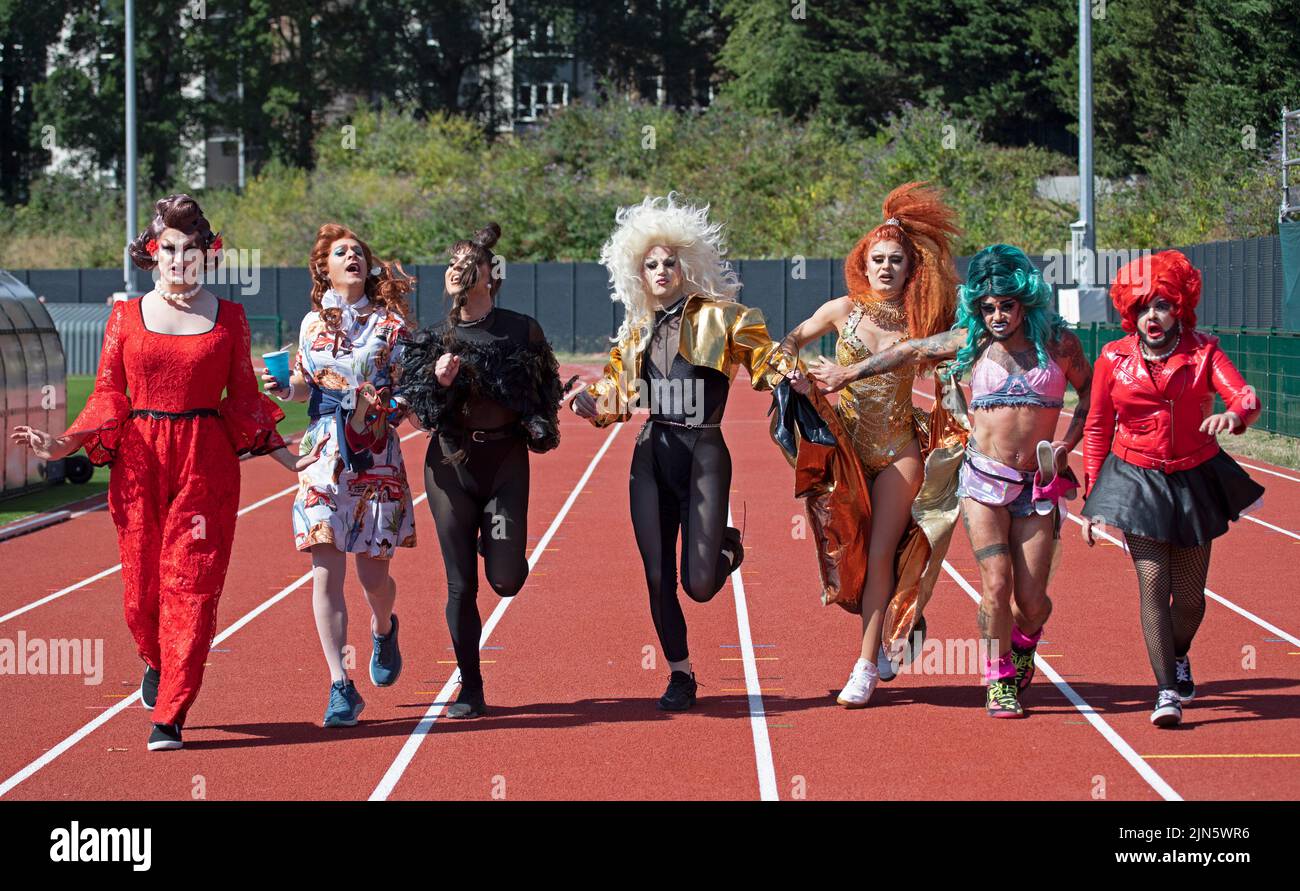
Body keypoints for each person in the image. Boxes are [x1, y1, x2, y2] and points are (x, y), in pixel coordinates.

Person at [10, 194, 323, 750]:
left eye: (190, 249)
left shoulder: (230, 318)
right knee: (140, 594)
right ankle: (155, 659)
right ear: (152, 254)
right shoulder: (124, 317)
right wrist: (63, 445)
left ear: (207, 254)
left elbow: (245, 402)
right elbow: (109, 395)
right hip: (139, 461)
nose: (179, 260)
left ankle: (171, 712)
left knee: (192, 588)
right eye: (168, 249)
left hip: (206, 462)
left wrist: (291, 461)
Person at [811, 244, 1093, 718]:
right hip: (984, 480)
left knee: (1032, 600)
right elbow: (908, 351)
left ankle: (1024, 644)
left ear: (1025, 301)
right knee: (996, 583)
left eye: (1007, 305)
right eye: (987, 306)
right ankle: (998, 678)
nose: (997, 315)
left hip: (1038, 486)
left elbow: (1090, 396)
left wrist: (1067, 446)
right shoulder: (973, 340)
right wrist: (847, 373)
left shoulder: (1061, 345)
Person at [571, 194, 796, 711]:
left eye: (669, 261)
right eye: (650, 264)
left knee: (699, 586)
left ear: (687, 264)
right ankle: (680, 674)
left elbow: (765, 363)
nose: (661, 269)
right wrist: (592, 404)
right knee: (657, 577)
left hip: (705, 451)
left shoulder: (725, 318)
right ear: (638, 274)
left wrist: (792, 373)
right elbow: (617, 394)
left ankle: (725, 546)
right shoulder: (635, 331)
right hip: (651, 454)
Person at [776, 182, 964, 708]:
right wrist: (792, 365)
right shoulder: (841, 310)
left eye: (895, 261)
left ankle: (863, 664)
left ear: (911, 268)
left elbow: (958, 350)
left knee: (880, 552)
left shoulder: (922, 319)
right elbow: (792, 339)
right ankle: (894, 621)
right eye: (877, 259)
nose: (885, 268)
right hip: (846, 450)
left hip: (899, 450)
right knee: (850, 553)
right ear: (865, 262)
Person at [1081, 250, 1264, 727]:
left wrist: (1234, 415)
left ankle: (1179, 652)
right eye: (1142, 308)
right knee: (1152, 584)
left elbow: (1244, 395)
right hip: (1134, 478)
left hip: (1194, 476)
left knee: (1191, 600)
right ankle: (1165, 690)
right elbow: (1098, 427)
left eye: (1161, 305)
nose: (1152, 317)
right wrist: (1092, 499)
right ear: (1129, 313)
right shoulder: (1112, 359)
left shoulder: (1204, 351)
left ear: (1179, 305)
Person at [398, 223, 565, 719]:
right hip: (450, 467)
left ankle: (491, 540)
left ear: (489, 274)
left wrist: (540, 424)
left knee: (507, 580)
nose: (455, 269)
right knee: (460, 586)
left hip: (505, 464)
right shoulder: (434, 339)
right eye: (450, 263)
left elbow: (543, 395)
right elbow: (423, 415)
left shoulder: (521, 329)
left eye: (466, 262)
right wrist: (438, 380)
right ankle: (470, 687)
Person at [261, 223, 418, 728]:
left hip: (375, 452)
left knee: (375, 576)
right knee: (326, 569)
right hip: (323, 455)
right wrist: (284, 388)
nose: (351, 256)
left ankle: (384, 625)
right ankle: (340, 685)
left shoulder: (392, 327)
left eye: (358, 252)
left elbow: (410, 391)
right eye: (340, 252)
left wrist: (379, 411)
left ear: (368, 267)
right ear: (323, 267)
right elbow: (306, 386)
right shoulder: (310, 325)